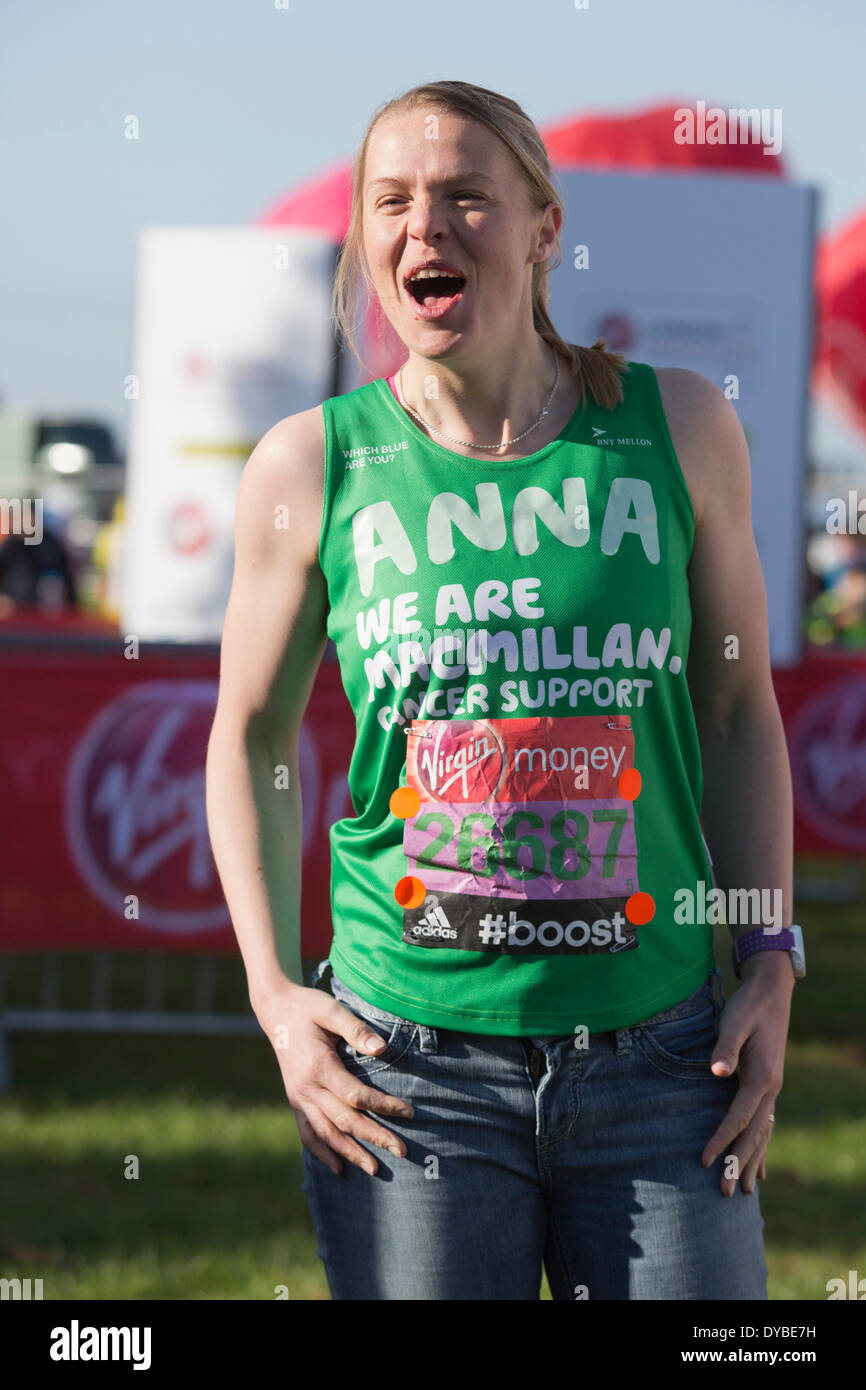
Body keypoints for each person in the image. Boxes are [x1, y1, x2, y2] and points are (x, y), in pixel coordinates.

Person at [205, 80, 798, 1301]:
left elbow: (735, 712)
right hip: (407, 1076)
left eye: (466, 197)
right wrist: (273, 995)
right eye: (393, 202)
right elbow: (251, 736)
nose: (426, 228)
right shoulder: (310, 464)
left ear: (541, 228)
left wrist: (770, 951)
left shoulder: (678, 427)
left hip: (660, 1059)